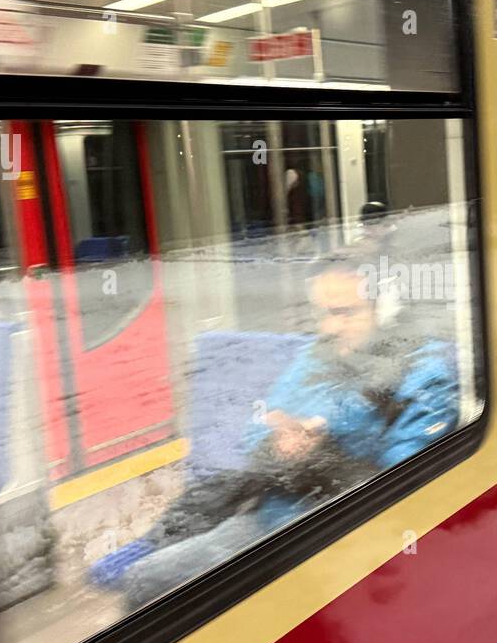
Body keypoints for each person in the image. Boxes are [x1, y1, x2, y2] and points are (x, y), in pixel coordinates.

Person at [103, 255, 461, 611]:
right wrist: (282, 447)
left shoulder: (422, 374)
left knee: (156, 586)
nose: (330, 328)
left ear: (383, 310)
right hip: (272, 516)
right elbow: (257, 434)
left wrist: (318, 457)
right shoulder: (318, 356)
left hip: (341, 533)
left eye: (346, 313)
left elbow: (402, 487)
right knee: (144, 579)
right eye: (323, 314)